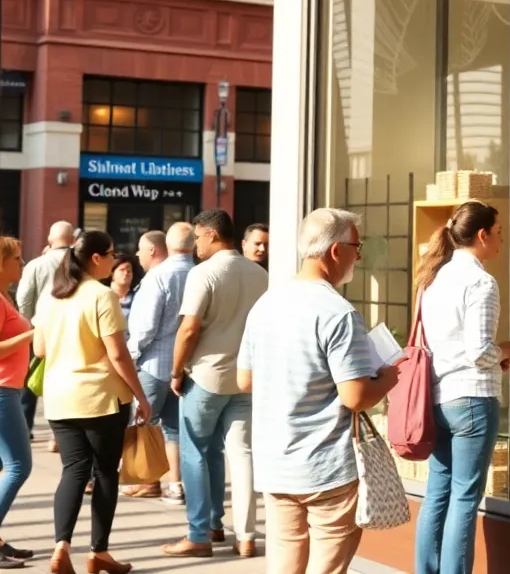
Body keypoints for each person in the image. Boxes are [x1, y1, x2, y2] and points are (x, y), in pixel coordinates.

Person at [238, 209, 398, 574]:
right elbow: (355, 397)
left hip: (276, 460)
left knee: (284, 559)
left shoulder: (266, 304)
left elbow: (245, 380)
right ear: (336, 250)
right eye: (357, 248)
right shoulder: (337, 312)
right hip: (325, 464)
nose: (358, 257)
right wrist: (389, 377)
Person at [34, 230, 152, 574]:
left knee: (73, 471)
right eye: (113, 254)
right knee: (104, 474)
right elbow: (117, 354)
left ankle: (61, 547)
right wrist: (141, 397)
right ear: (96, 258)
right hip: (102, 397)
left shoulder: (51, 297)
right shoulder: (102, 297)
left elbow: (40, 349)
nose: (116, 260)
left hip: (59, 396)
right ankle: (98, 551)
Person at [414, 200, 510, 574]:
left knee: (438, 492)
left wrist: (492, 354)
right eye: (499, 233)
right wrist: (507, 349)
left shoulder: (434, 278)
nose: (501, 241)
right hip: (473, 398)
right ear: (482, 235)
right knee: (464, 497)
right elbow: (479, 353)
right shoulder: (481, 282)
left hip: (439, 396)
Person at [163, 210, 268, 559]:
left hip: (206, 376)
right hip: (245, 377)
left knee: (196, 452)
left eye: (197, 237)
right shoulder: (259, 274)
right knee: (239, 454)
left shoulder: (203, 274)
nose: (195, 244)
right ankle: (244, 534)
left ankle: (200, 533)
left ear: (210, 234)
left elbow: (189, 329)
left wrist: (176, 371)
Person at [122, 225, 193, 503]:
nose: (138, 256)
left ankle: (146, 480)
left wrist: (132, 355)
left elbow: (145, 327)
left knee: (144, 421)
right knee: (174, 428)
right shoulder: (198, 273)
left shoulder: (158, 277)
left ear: (152, 250)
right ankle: (175, 485)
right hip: (184, 365)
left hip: (153, 362)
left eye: (140, 250)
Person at [0, 237, 35, 568]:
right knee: (19, 465)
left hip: (1, 389)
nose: (21, 262)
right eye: (16, 258)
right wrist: (31, 334)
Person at [15, 220, 74, 440]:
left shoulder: (36, 265)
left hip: (39, 331)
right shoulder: (80, 264)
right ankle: (60, 431)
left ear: (50, 239)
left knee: (32, 380)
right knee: (66, 380)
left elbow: (24, 298)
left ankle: (25, 427)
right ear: (73, 240)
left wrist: (29, 324)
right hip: (71, 332)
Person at [106, 255, 138, 320]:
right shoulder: (104, 297)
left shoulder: (138, 297)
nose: (126, 273)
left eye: (129, 271)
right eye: (122, 270)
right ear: (112, 274)